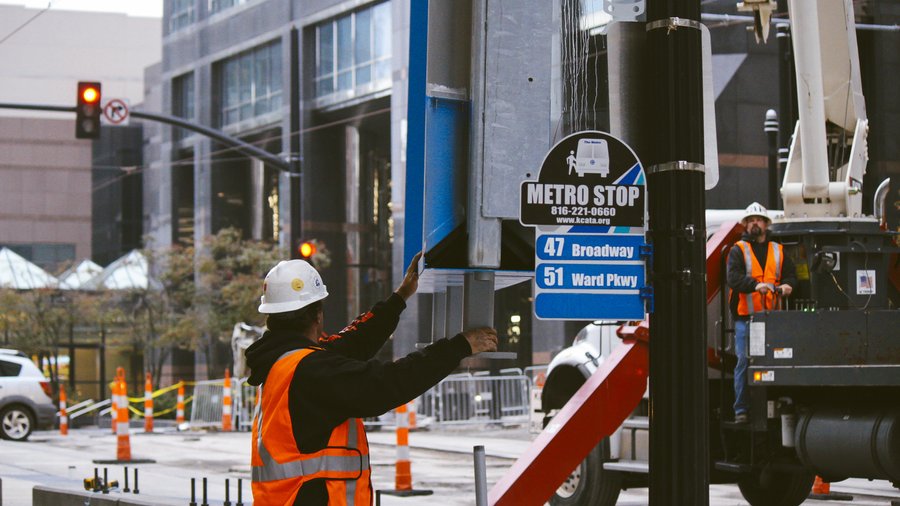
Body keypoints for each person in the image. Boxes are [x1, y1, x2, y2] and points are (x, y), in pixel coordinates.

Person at [246, 252, 498, 505]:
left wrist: (400, 298)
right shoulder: (309, 369)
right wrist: (458, 347)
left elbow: (353, 342)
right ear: (318, 315)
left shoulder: (284, 363)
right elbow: (386, 384)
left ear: (271, 319)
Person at [727, 202, 796, 424]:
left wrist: (787, 286)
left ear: (766, 224)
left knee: (776, 362)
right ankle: (741, 410)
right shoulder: (738, 250)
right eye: (751, 220)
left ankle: (778, 405)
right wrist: (755, 285)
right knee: (744, 362)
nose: (755, 223)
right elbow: (733, 278)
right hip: (746, 319)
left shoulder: (778, 250)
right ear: (745, 225)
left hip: (772, 319)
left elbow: (791, 276)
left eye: (759, 220)